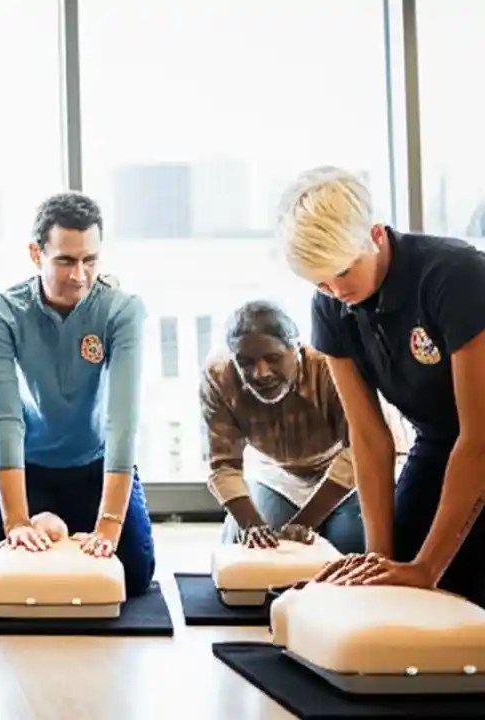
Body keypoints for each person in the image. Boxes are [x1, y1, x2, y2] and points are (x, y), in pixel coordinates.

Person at [277, 165, 485, 606]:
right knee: (393, 574)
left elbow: (480, 438)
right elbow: (369, 439)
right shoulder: (331, 305)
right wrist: (378, 559)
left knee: (455, 579)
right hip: (438, 442)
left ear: (374, 235)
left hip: (478, 438)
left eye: (344, 272)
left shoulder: (456, 276)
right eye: (321, 282)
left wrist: (429, 568)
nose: (335, 290)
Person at [0, 193, 156, 597]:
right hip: (28, 464)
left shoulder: (122, 311)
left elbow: (121, 423)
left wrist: (108, 526)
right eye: (66, 261)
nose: (80, 276)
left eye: (90, 260)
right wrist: (17, 521)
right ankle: (44, 519)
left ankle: (55, 523)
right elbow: (6, 422)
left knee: (135, 574)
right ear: (36, 254)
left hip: (94, 465)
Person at [201, 300, 364, 553]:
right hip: (278, 475)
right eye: (245, 362)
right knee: (254, 549)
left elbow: (362, 450)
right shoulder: (219, 375)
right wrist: (251, 524)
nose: (261, 373)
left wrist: (304, 522)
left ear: (296, 349)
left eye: (273, 358)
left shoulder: (328, 365)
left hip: (342, 471)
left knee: (351, 545)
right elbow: (221, 463)